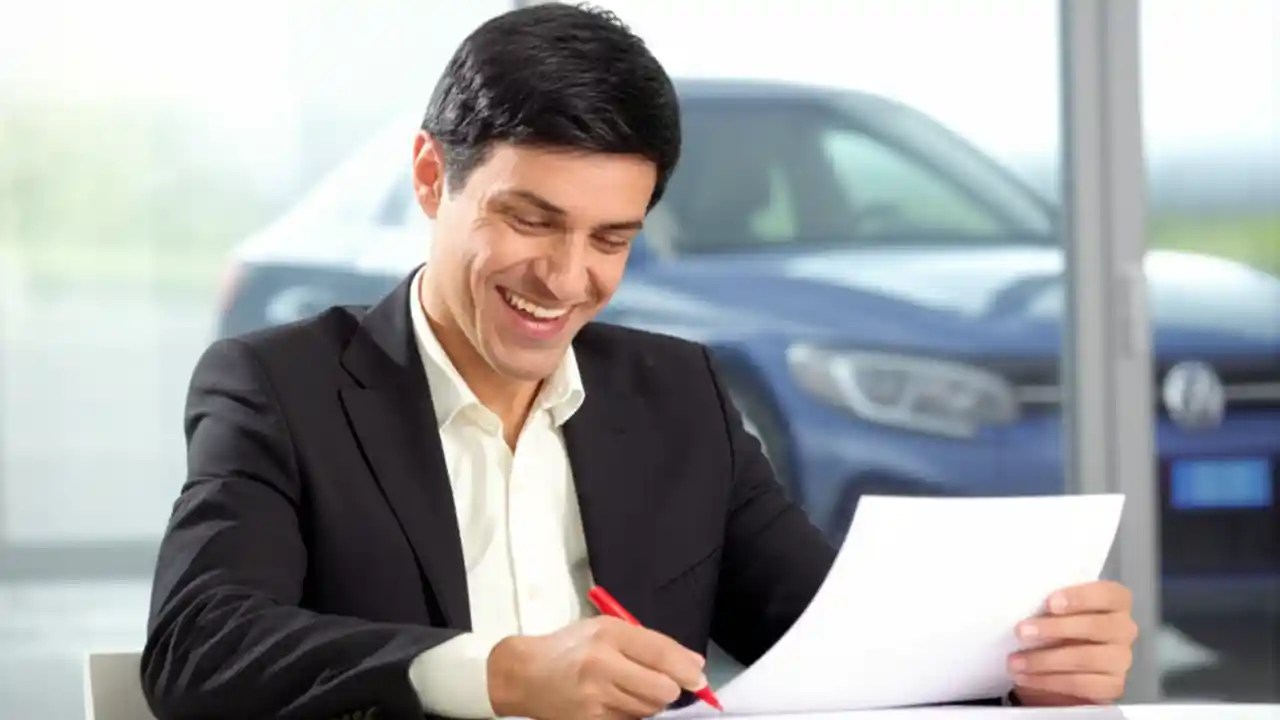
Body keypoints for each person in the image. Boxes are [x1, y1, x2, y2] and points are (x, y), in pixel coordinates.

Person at [141, 4, 1138, 719]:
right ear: (431, 176)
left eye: (610, 239)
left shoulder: (677, 397)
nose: (566, 277)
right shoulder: (280, 386)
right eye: (529, 220)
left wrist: (1020, 671)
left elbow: (829, 647)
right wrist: (497, 674)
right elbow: (198, 645)